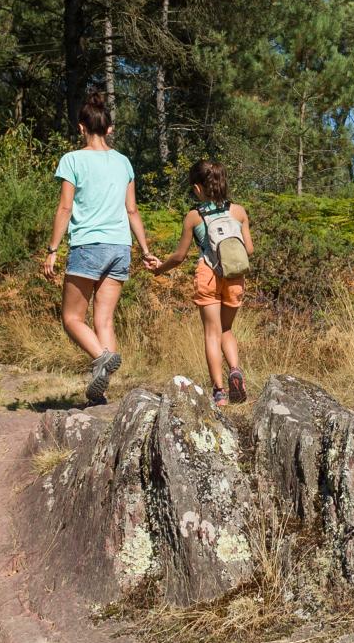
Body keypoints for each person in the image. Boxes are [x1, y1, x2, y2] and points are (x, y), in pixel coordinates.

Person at [40, 91, 160, 404]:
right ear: (109, 129)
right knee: (104, 320)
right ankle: (101, 393)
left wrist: (53, 249)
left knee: (71, 319)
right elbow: (132, 210)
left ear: (82, 127)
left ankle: (101, 357)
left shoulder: (73, 160)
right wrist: (145, 250)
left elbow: (64, 208)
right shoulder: (124, 162)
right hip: (120, 246)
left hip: (88, 246)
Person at [149, 159, 253, 408]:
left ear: (197, 188)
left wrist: (159, 269)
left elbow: (179, 256)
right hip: (235, 275)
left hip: (208, 274)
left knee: (211, 333)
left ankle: (219, 392)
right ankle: (235, 371)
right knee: (226, 329)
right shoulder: (238, 212)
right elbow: (249, 249)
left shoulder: (194, 217)